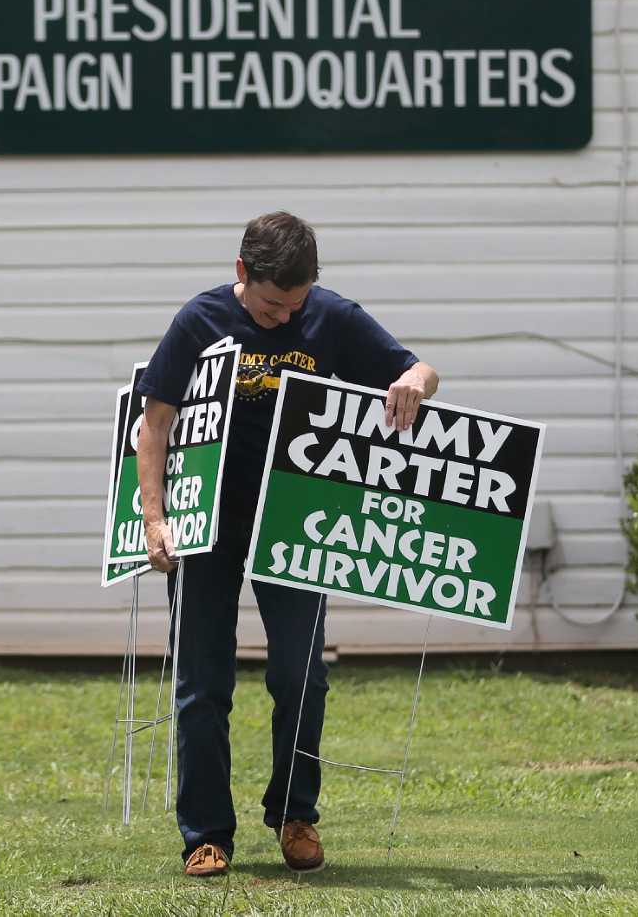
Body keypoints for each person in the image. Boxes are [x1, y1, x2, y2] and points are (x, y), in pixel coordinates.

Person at [135, 211, 438, 878]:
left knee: (302, 675)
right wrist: (155, 520)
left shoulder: (331, 317)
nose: (282, 317)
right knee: (201, 682)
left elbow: (418, 368)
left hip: (295, 524)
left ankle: (295, 814)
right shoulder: (199, 320)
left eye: (294, 306)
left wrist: (415, 382)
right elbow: (153, 422)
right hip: (206, 527)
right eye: (273, 305)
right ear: (243, 273)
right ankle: (205, 833)